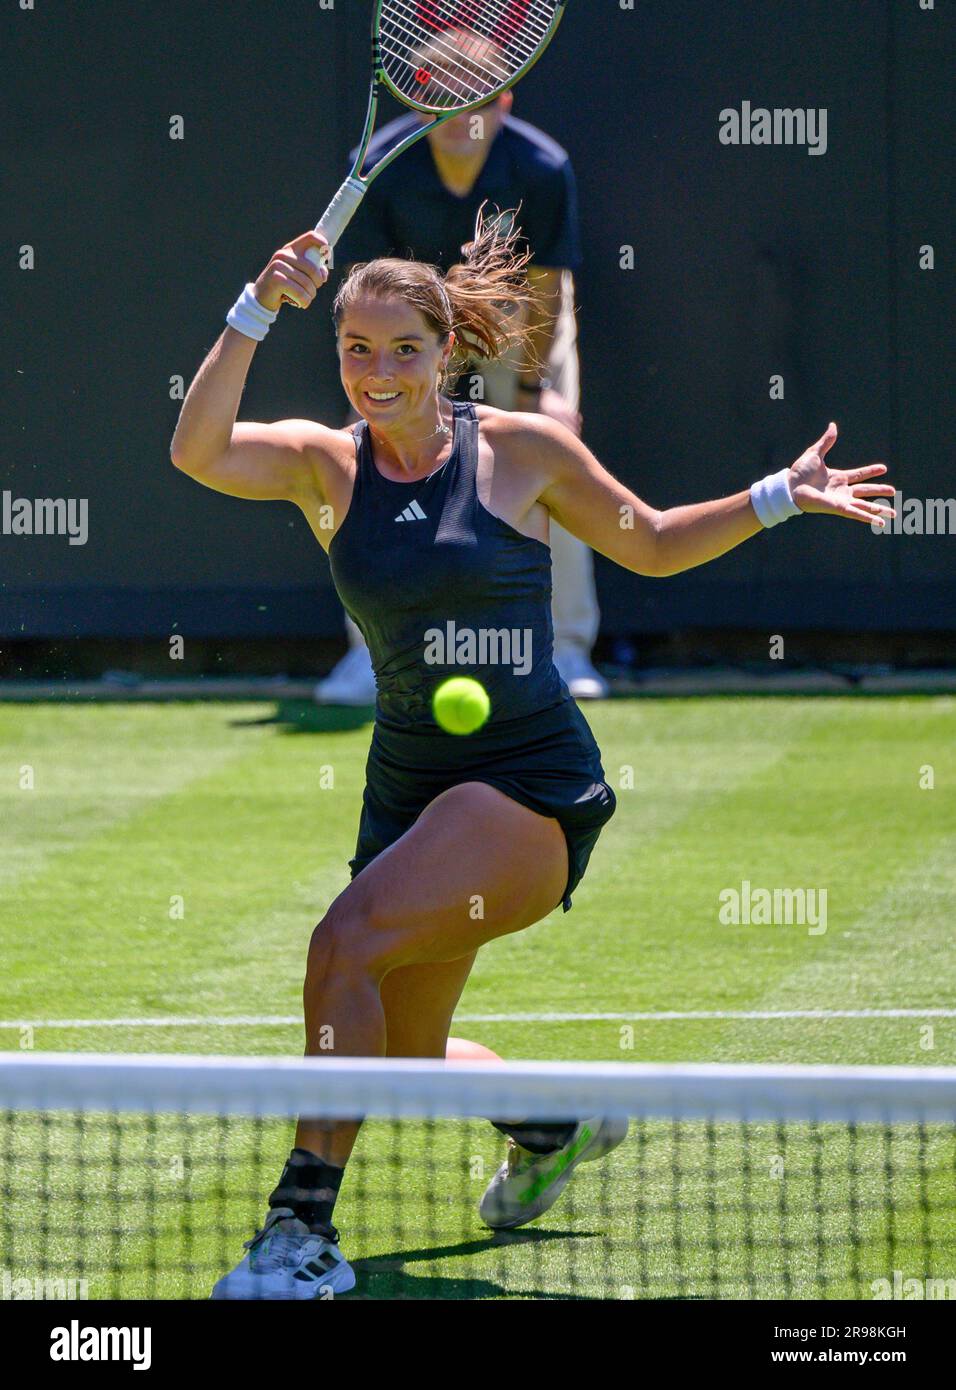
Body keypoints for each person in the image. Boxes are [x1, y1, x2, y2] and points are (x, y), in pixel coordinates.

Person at [170, 212, 895, 1299]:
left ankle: (297, 1235)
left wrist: (775, 497)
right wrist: (253, 305)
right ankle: (558, 1117)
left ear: (443, 350)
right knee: (402, 1062)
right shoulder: (327, 469)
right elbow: (196, 450)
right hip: (407, 797)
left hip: (530, 790)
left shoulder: (520, 453)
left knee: (344, 941)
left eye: (402, 349)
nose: (377, 372)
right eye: (354, 350)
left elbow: (646, 543)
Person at [315, 88, 610, 705]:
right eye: (437, 100)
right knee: (362, 458)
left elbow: (547, 289)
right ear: (416, 104)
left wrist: (536, 392)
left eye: (471, 101)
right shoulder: (380, 162)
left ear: (502, 103)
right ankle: (372, 655)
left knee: (554, 454)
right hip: (407, 327)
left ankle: (567, 648)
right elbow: (364, 299)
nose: (455, 117)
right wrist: (375, 393)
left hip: (517, 317)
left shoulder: (540, 167)